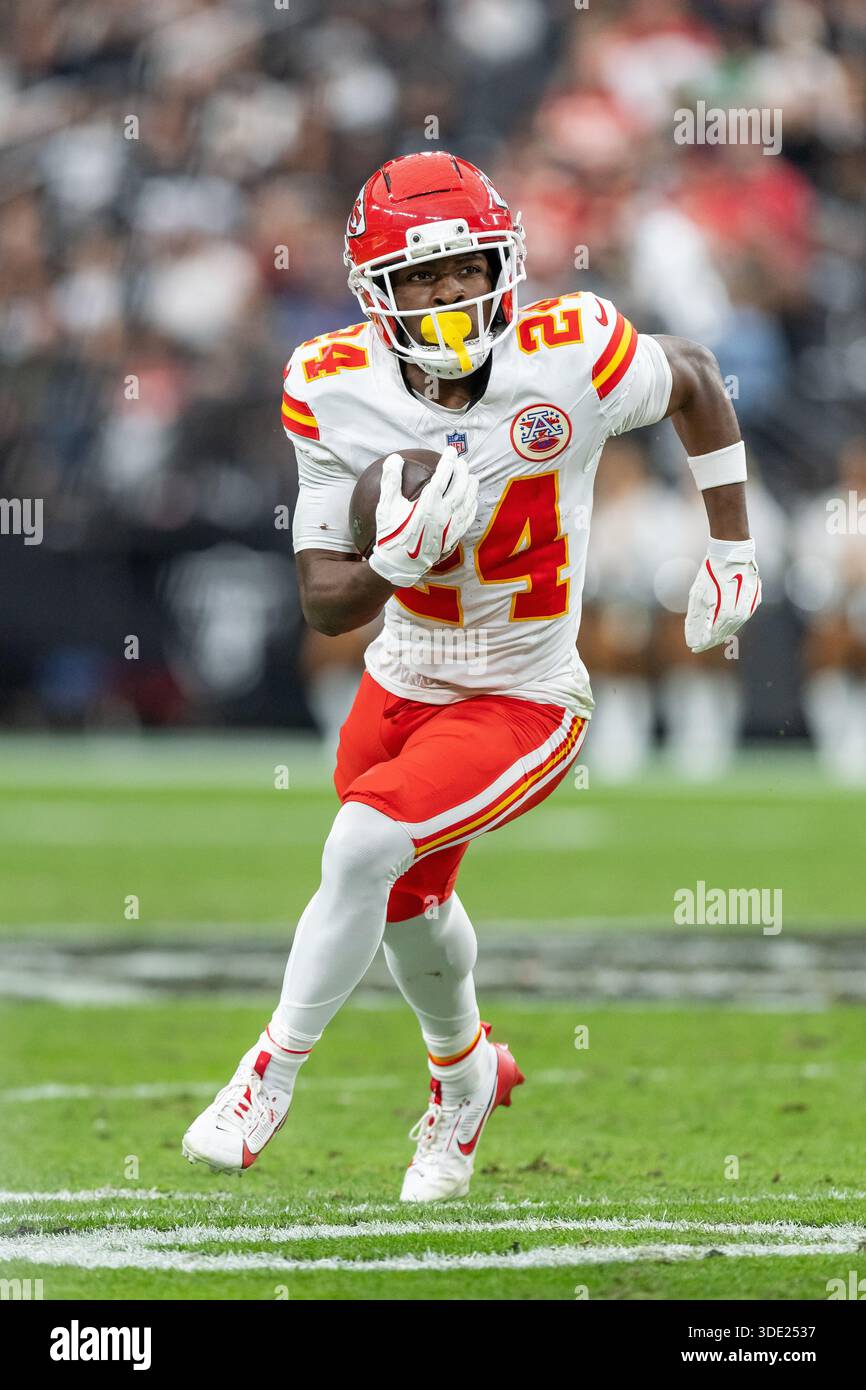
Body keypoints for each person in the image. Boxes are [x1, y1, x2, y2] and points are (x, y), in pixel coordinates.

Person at [182, 151, 762, 1202]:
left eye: (465, 268)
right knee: (402, 899)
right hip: (401, 675)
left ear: (504, 261)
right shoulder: (328, 383)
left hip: (526, 688)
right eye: (423, 276)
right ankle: (464, 1077)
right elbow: (323, 600)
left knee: (360, 845)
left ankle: (268, 1073)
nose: (450, 293)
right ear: (375, 292)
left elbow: (691, 375)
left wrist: (729, 547)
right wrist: (391, 561)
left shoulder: (568, 349)